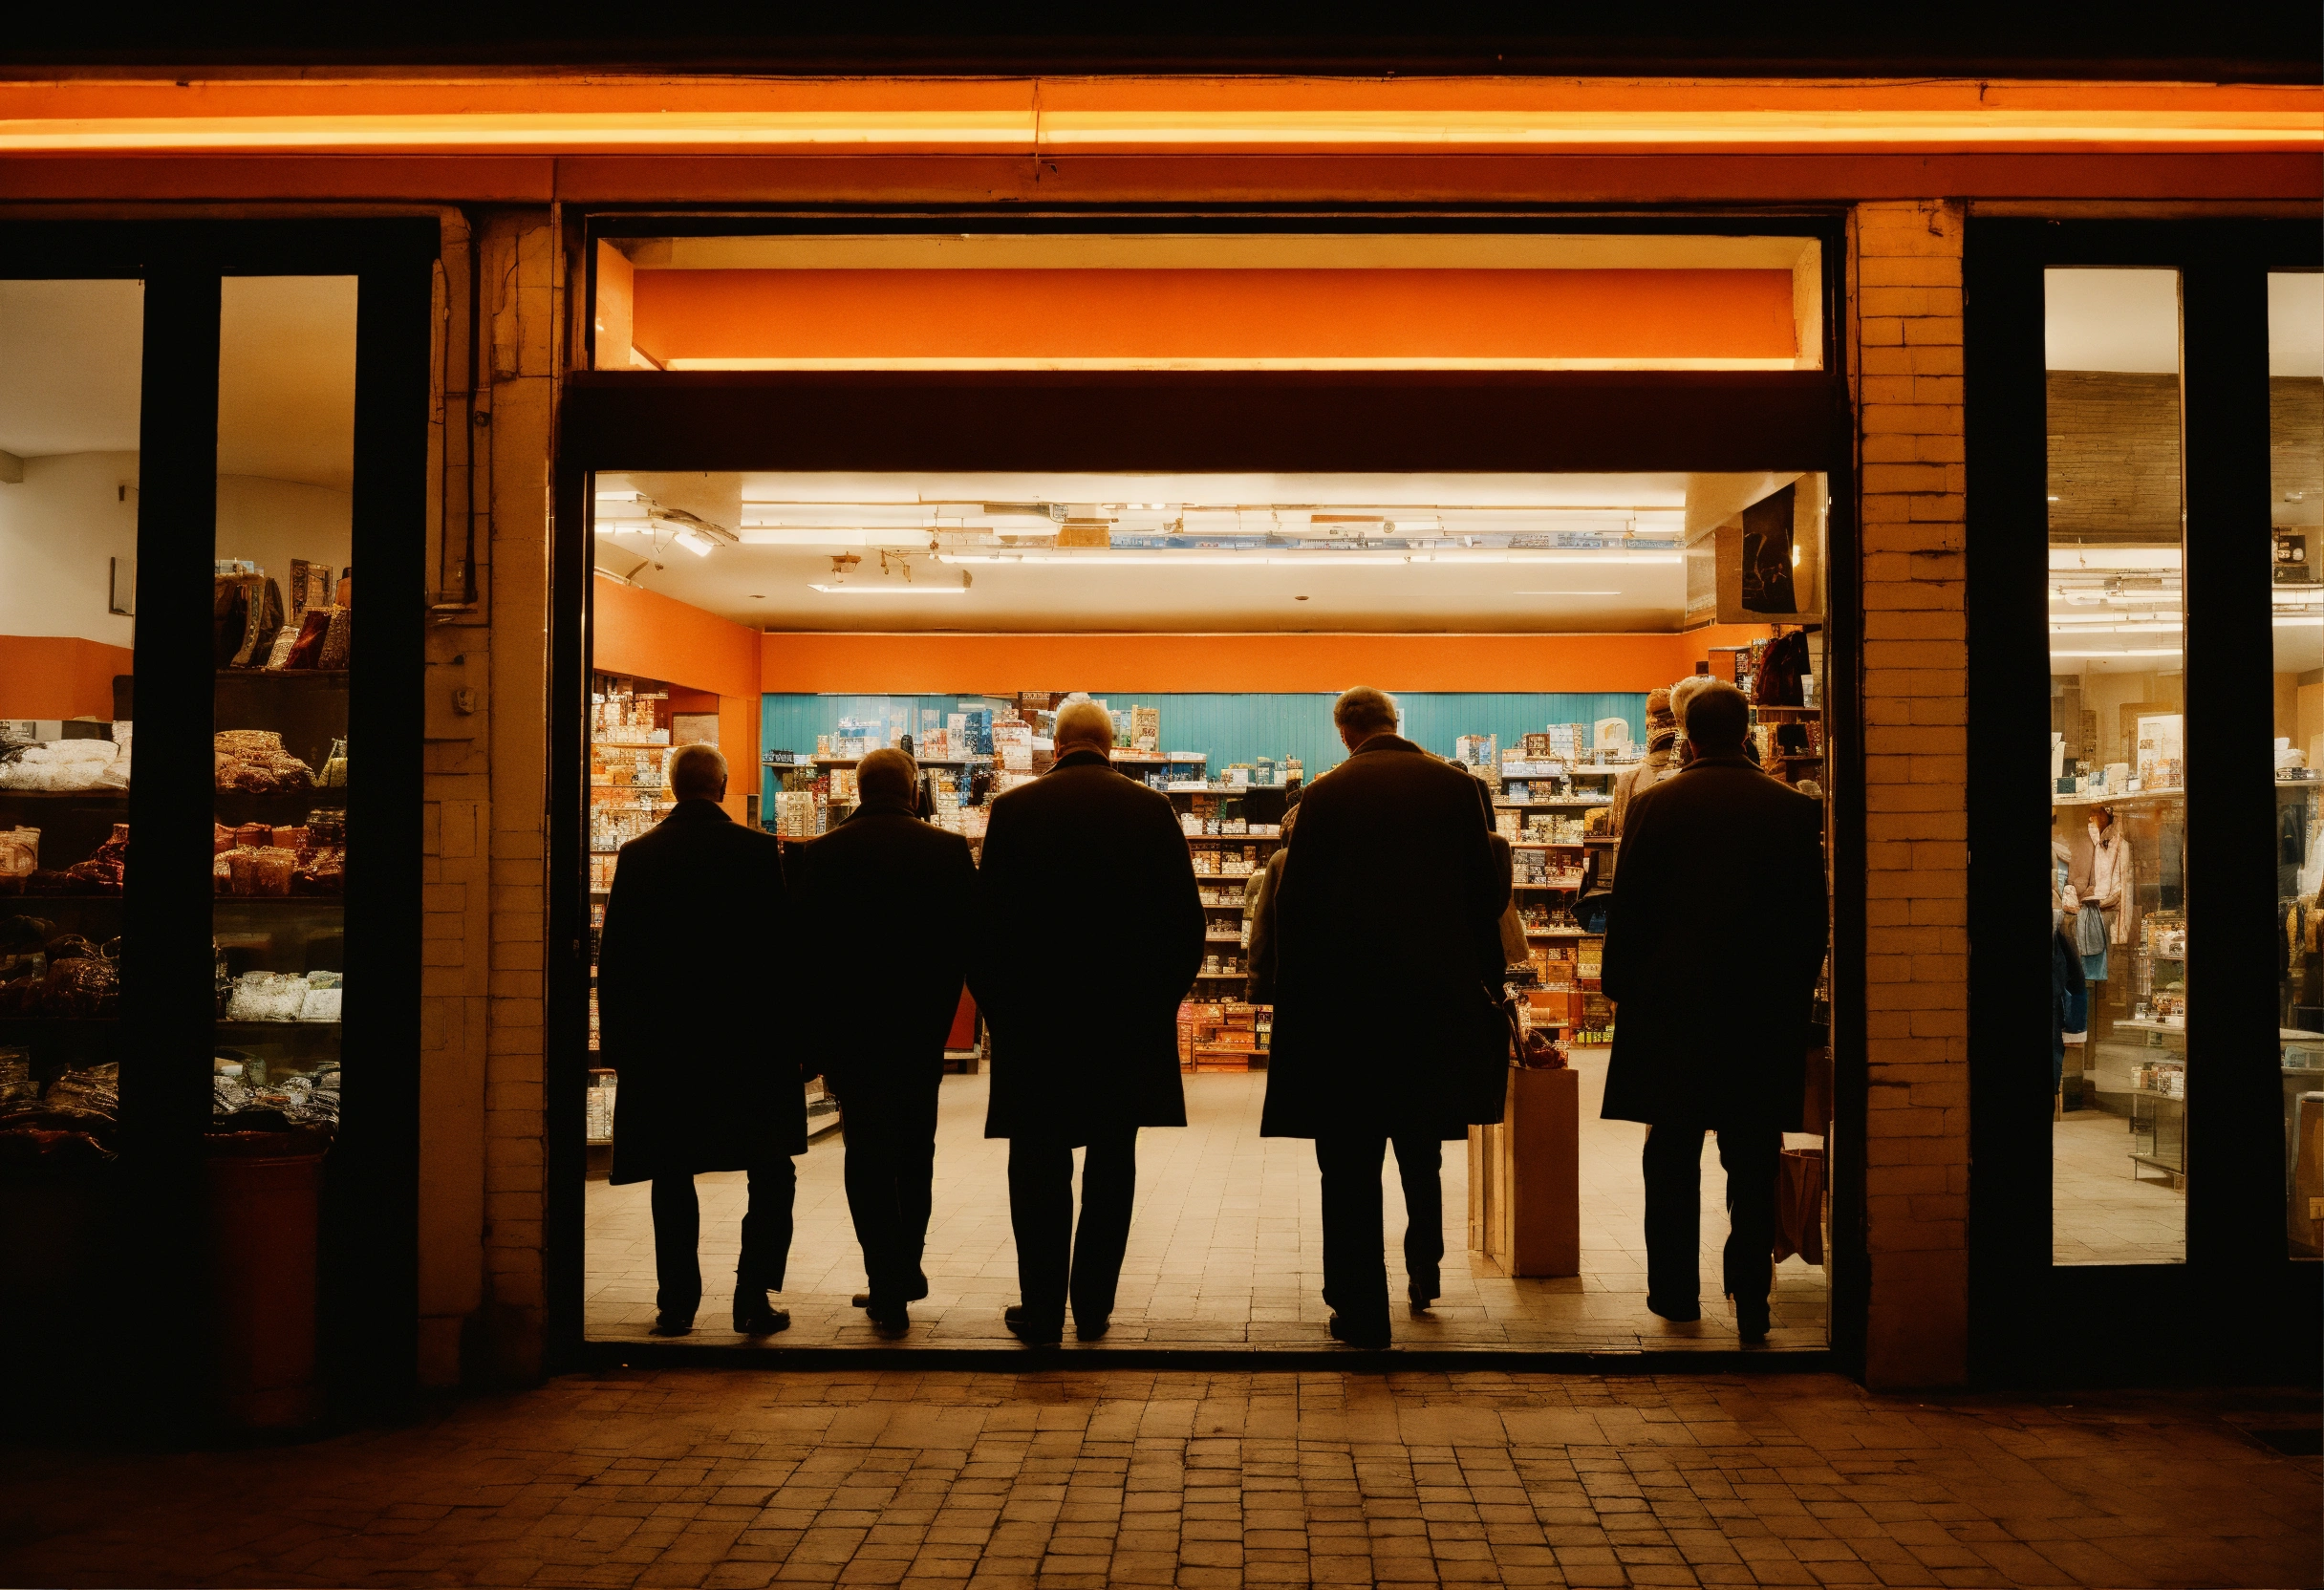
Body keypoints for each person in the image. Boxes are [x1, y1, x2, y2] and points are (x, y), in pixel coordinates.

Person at [1261, 686, 1511, 1349]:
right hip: (1431, 1010)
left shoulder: (1325, 795)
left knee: (1346, 1166)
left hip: (1346, 1015)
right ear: (1395, 723)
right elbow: (1484, 899)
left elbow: (1299, 909)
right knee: (1419, 1145)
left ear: (1344, 733)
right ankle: (1423, 1268)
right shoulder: (1456, 790)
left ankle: (1359, 1308)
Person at [969, 699, 1205, 1345]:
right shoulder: (1150, 811)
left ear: (1057, 745)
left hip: (1037, 1025)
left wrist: (1004, 1014)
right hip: (1122, 1024)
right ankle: (1094, 1305)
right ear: (1110, 746)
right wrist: (1154, 1007)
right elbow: (1187, 929)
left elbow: (984, 931)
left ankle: (1041, 1311)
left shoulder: (1016, 811)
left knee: (1037, 1164)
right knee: (1112, 1162)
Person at [1600, 679, 1825, 1343]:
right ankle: (1750, 1296)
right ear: (1749, 729)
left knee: (1670, 1154)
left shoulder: (1655, 805)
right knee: (1753, 1157)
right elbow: (1811, 919)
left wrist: (1622, 988)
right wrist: (1792, 995)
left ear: (1688, 736)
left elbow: (1629, 908)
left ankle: (1674, 1295)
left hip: (1671, 1009)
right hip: (1759, 1013)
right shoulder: (1790, 808)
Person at [598, 743, 800, 1338]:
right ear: (724, 784)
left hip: (667, 1050)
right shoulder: (761, 854)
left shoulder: (638, 857)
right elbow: (783, 958)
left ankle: (678, 1302)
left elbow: (618, 963)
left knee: (672, 1173)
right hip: (749, 1047)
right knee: (771, 1171)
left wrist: (620, 1050)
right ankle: (752, 1296)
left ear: (671, 785)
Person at [787, 746, 979, 1337]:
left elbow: (803, 959)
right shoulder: (947, 851)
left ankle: (883, 1277)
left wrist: (811, 1040)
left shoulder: (818, 856)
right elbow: (969, 944)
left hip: (851, 1034)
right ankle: (907, 1263)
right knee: (915, 1150)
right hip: (920, 1030)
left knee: (865, 1153)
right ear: (914, 786)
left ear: (857, 787)